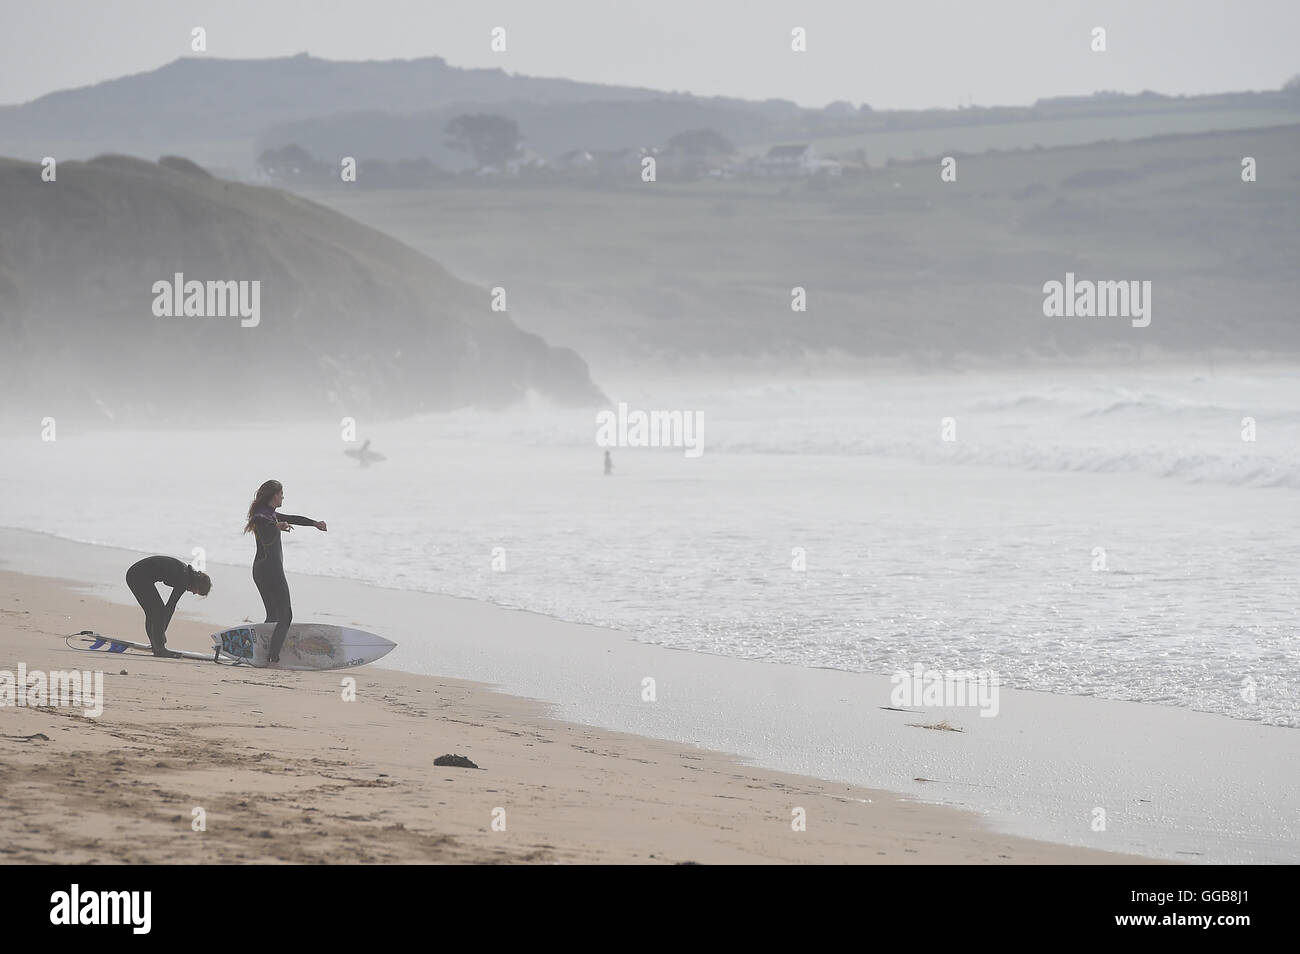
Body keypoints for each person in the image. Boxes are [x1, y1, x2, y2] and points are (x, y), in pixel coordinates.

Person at [244, 479, 327, 663]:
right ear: (273, 495)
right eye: (281, 493)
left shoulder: (271, 514)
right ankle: (273, 656)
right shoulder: (263, 516)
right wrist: (277, 526)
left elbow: (294, 518)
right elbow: (263, 523)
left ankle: (263, 651)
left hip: (261, 570)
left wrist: (315, 523)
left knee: (273, 615)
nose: (283, 496)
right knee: (285, 615)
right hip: (270, 569)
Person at [125, 555, 212, 656]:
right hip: (138, 576)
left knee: (152, 613)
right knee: (158, 611)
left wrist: (161, 631)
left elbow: (169, 607)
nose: (193, 593)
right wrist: (161, 633)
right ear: (197, 584)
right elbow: (171, 606)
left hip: (134, 574)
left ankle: (156, 646)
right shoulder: (184, 579)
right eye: (197, 591)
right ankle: (159, 648)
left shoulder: (186, 573)